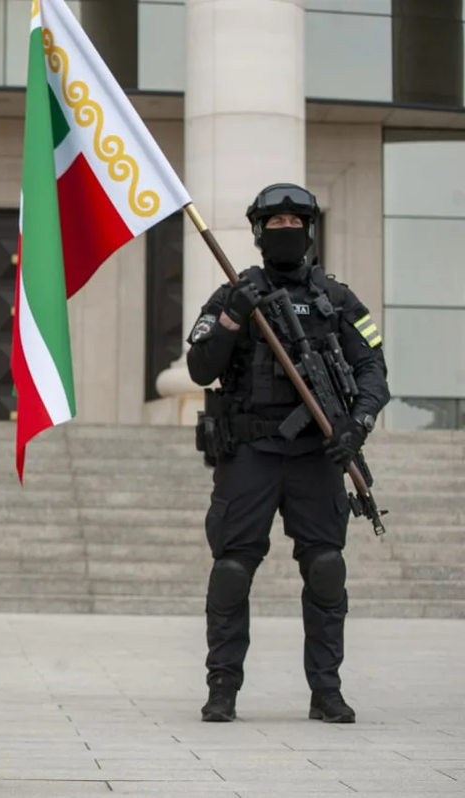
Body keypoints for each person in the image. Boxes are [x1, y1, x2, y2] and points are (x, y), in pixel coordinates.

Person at [186, 183, 390, 724]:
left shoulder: (337, 300)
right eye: (274, 225)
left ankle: (327, 691)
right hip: (250, 452)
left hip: (316, 454)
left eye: (294, 224)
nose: (285, 232)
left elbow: (373, 370)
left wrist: (357, 424)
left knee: (326, 568)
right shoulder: (233, 294)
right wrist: (233, 318)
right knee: (231, 569)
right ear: (257, 234)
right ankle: (222, 689)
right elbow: (200, 368)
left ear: (310, 231)